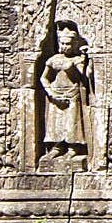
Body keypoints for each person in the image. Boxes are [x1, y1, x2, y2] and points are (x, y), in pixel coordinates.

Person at [40, 22, 93, 165]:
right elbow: (44, 78)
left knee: (71, 123)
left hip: (72, 95)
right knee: (55, 124)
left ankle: (72, 148)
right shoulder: (54, 59)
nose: (64, 47)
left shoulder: (77, 60)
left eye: (68, 44)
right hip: (55, 96)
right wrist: (50, 92)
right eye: (62, 43)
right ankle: (57, 147)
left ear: (75, 44)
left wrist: (88, 60)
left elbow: (85, 75)